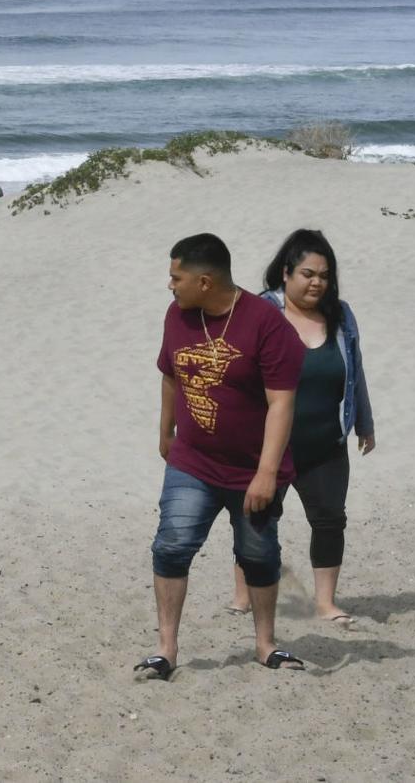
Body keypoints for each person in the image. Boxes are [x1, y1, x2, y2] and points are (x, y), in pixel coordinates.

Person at [136, 233, 305, 680]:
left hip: (253, 468)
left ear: (205, 282)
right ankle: (166, 649)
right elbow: (170, 374)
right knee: (172, 545)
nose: (170, 285)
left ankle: (265, 644)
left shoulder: (267, 326)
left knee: (257, 554)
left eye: (176, 277)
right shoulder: (178, 315)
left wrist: (267, 472)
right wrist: (165, 431)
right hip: (193, 461)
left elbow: (282, 403)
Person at [226, 229, 375, 626]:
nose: (317, 283)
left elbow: (354, 371)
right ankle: (244, 594)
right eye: (308, 273)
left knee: (329, 519)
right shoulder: (259, 312)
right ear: (286, 273)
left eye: (324, 276)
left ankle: (325, 603)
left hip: (326, 441)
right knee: (257, 517)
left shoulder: (340, 315)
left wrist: (364, 421)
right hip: (268, 444)